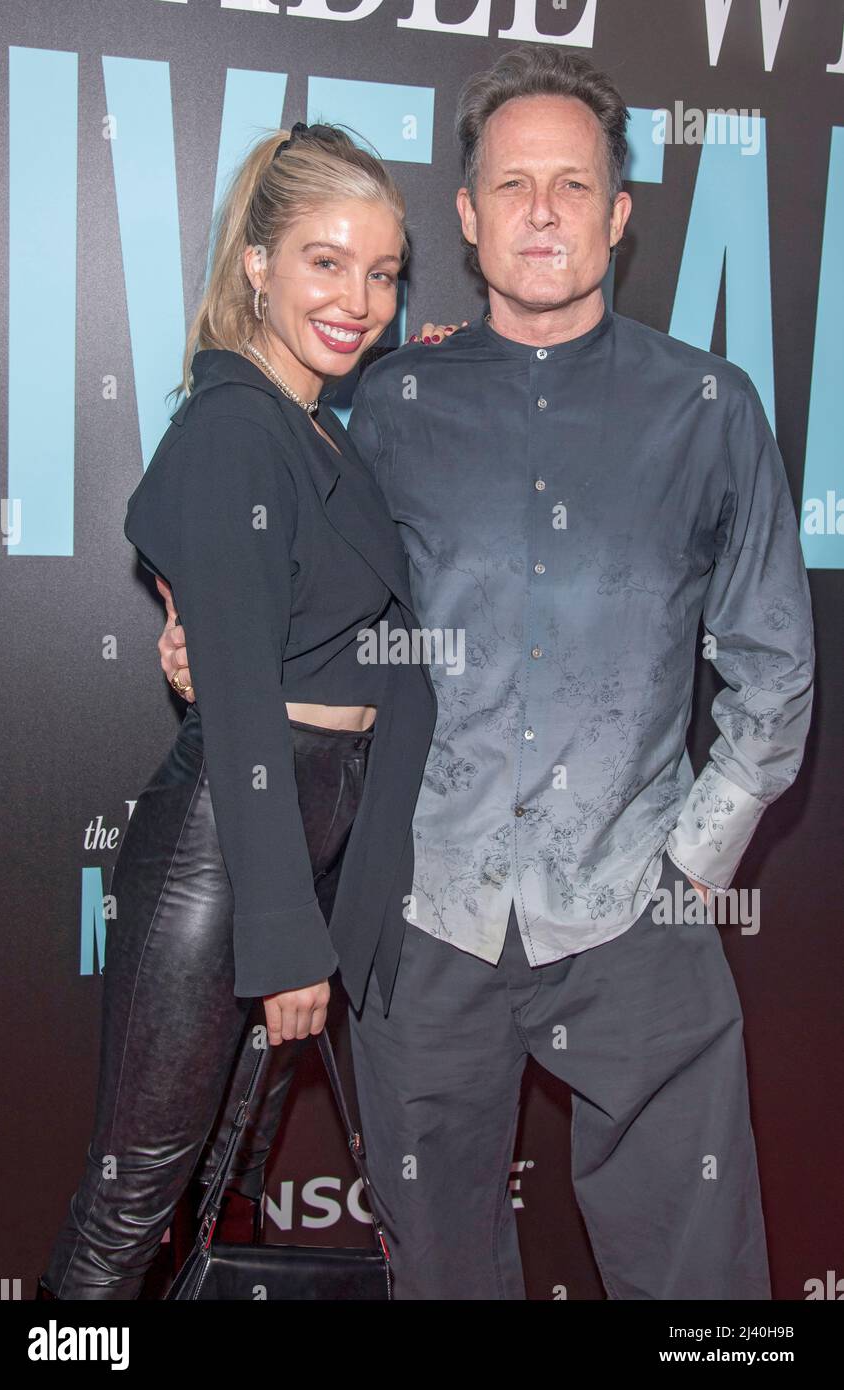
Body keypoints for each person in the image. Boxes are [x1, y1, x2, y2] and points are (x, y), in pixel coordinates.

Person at [158, 47, 815, 1300]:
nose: (542, 212)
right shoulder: (389, 406)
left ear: (619, 215)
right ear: (465, 216)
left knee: (703, 1287)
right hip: (425, 918)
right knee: (444, 1275)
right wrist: (203, 629)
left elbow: (774, 673)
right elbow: (303, 594)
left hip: (636, 912)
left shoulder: (710, 408)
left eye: (573, 185)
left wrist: (686, 868)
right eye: (512, 185)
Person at [37, 122, 436, 1299]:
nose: (358, 299)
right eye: (325, 262)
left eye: (379, 273)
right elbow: (252, 717)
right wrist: (280, 933)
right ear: (255, 262)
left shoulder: (311, 425)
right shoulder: (231, 429)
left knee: (213, 1170)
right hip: (230, 849)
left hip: (304, 840)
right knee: (132, 1194)